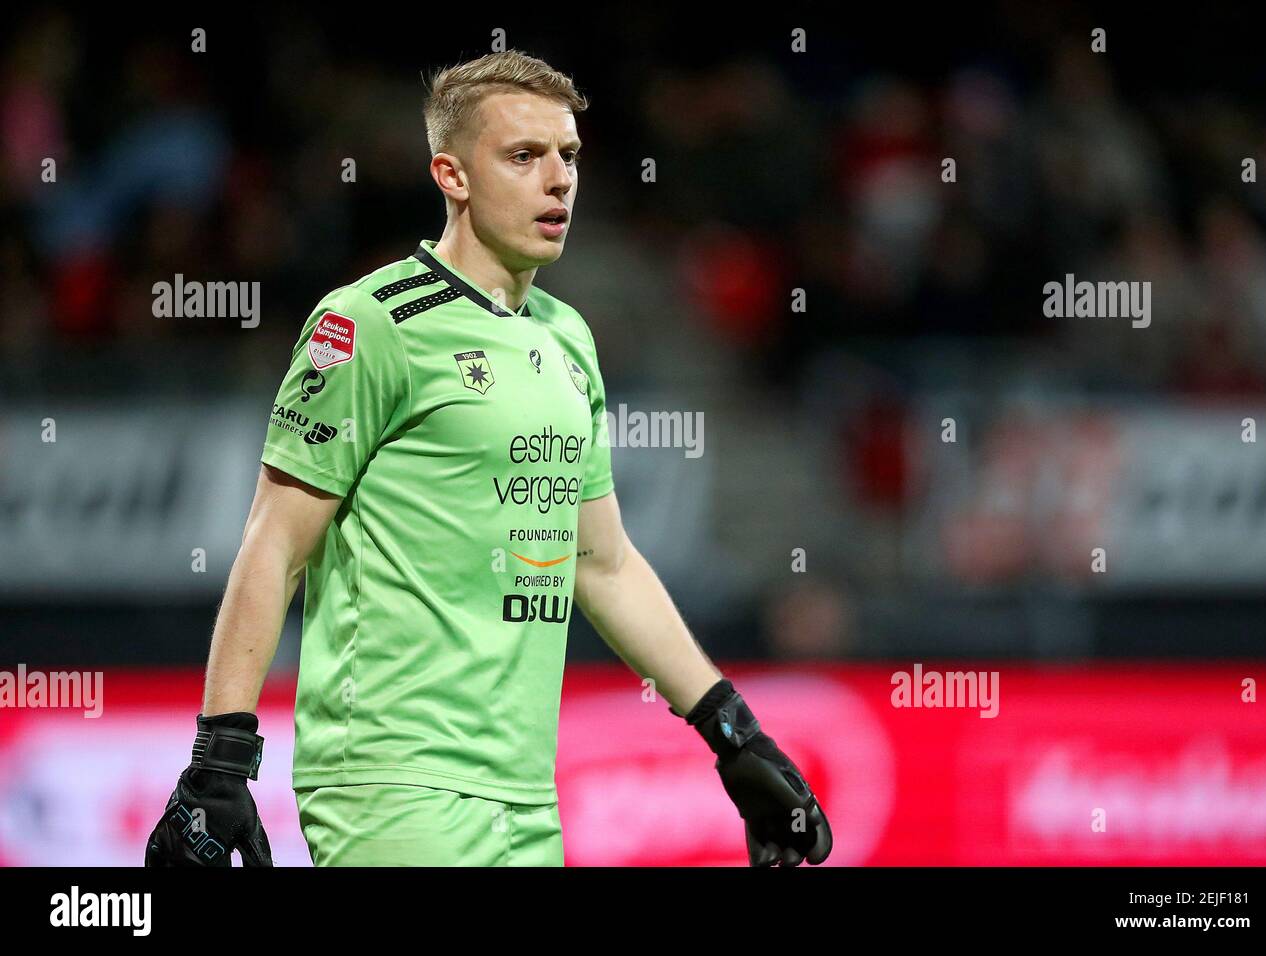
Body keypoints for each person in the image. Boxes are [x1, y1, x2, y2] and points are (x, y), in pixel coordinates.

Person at [145, 49, 831, 867]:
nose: (558, 181)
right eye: (523, 156)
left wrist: (732, 731)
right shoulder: (370, 323)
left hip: (527, 794)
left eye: (568, 157)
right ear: (452, 175)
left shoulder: (569, 339)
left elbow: (602, 563)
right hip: (394, 782)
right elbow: (275, 541)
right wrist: (222, 757)